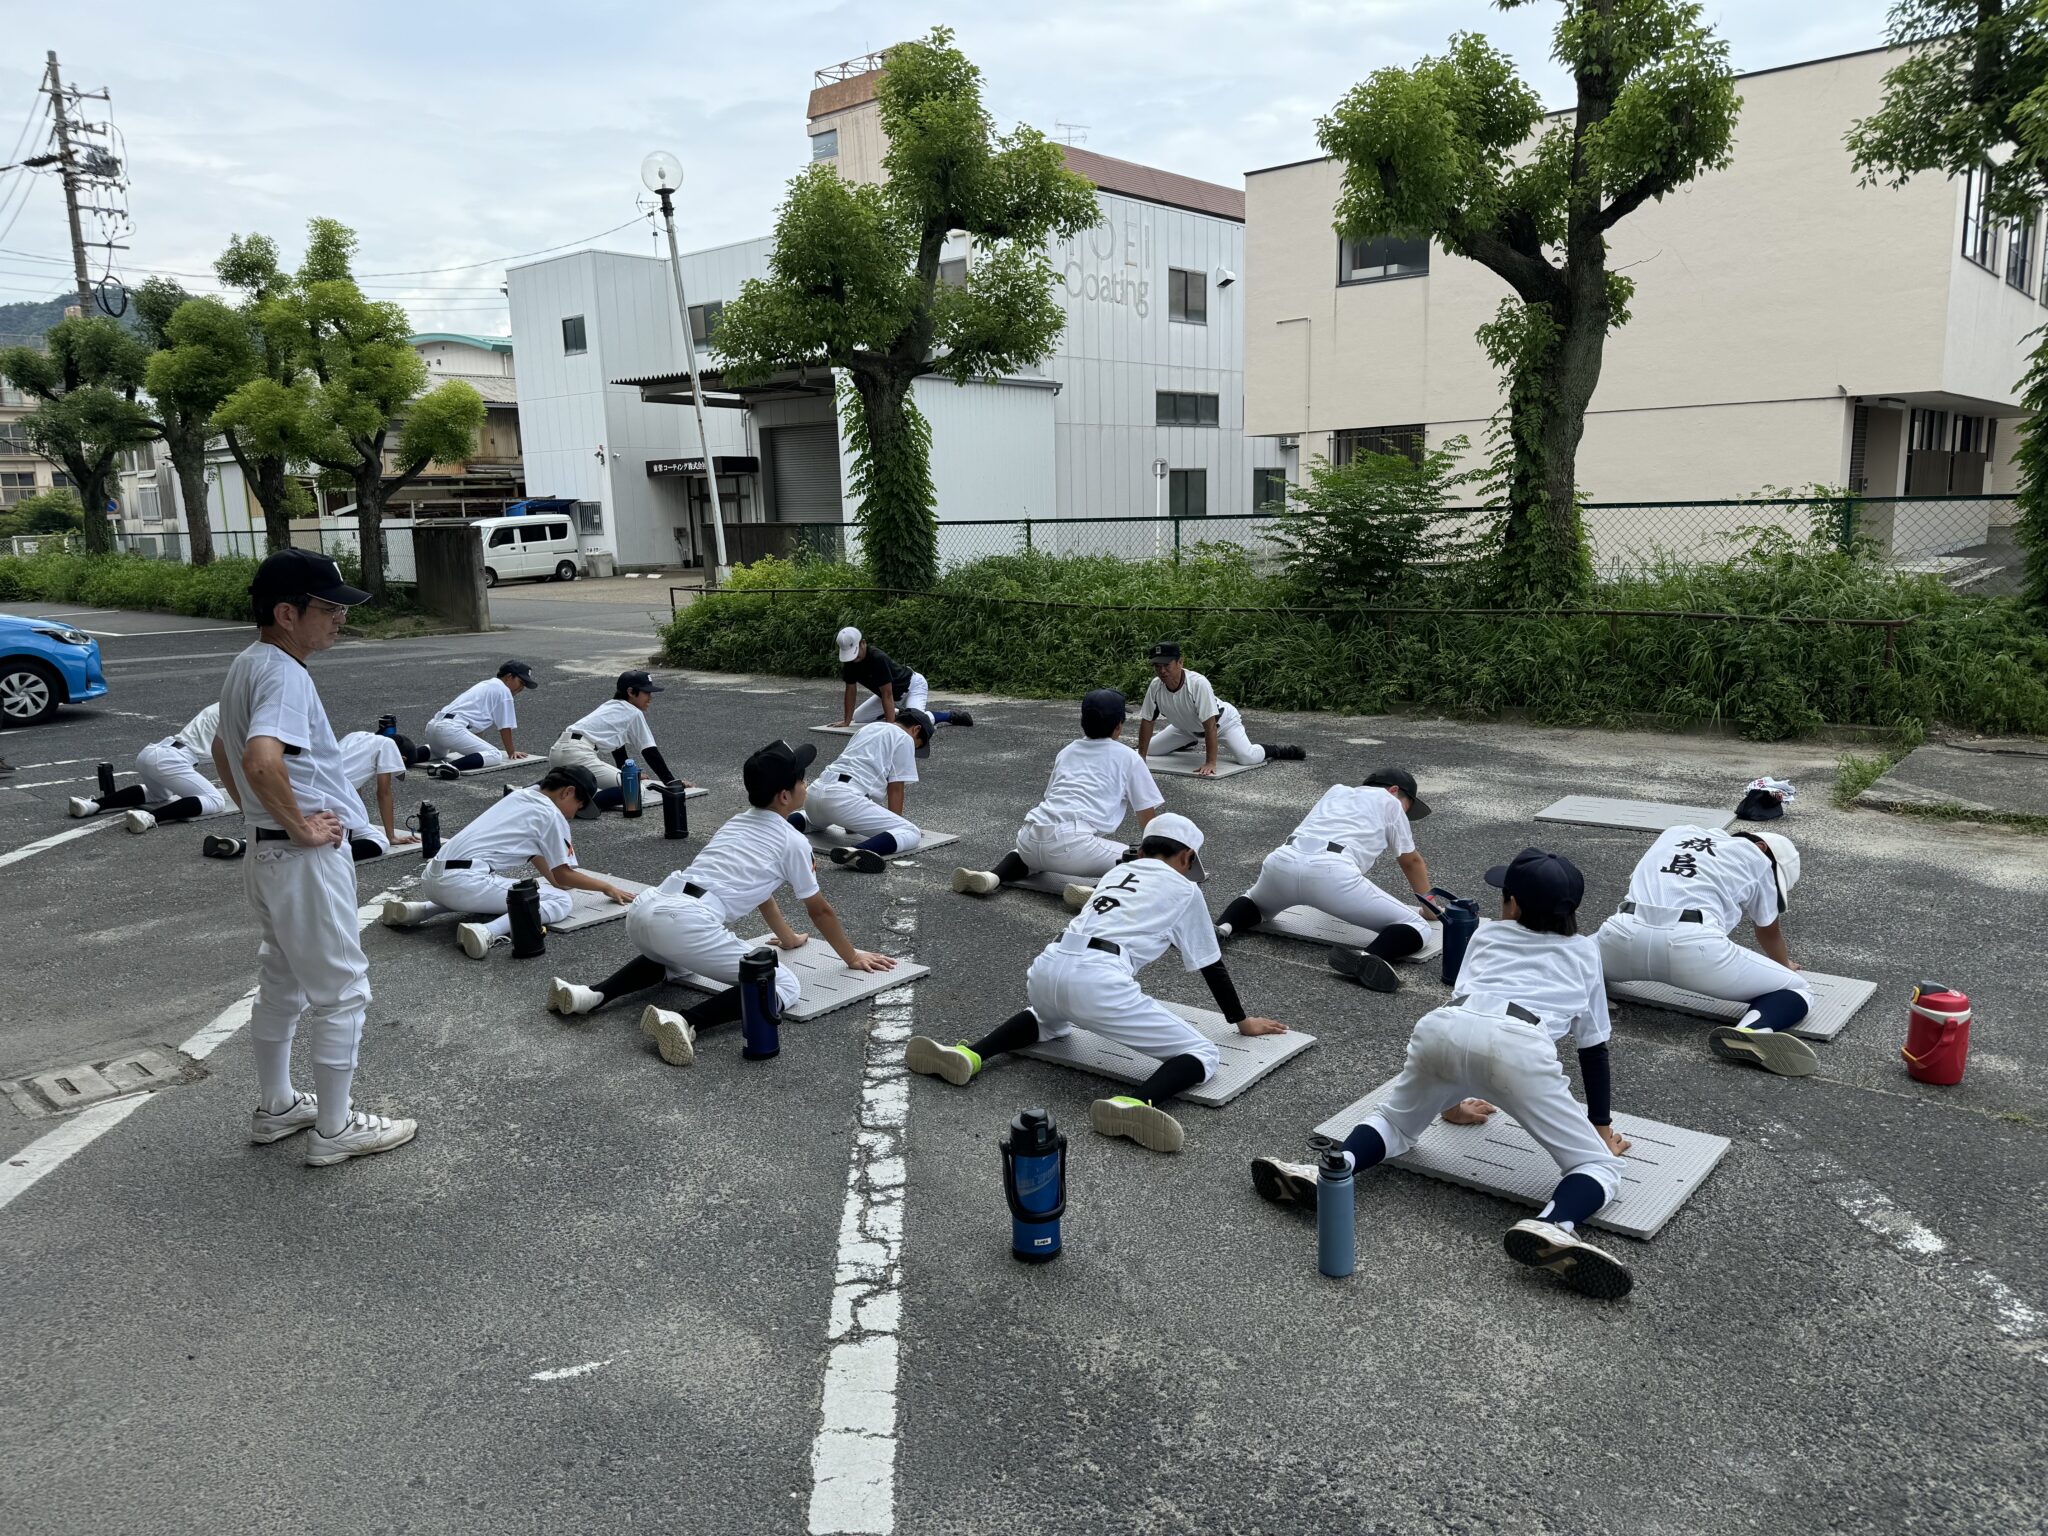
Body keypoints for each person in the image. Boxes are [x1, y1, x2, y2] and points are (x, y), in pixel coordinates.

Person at [1251, 847, 1635, 1300]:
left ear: (1512, 904)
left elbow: (1470, 1021)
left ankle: (1334, 1168)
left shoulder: (1486, 934)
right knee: (1597, 1166)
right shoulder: (1585, 952)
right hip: (1519, 1047)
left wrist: (1448, 1104)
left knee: (1395, 1123)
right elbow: (1593, 1049)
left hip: (1444, 1029)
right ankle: (1554, 1224)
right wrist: (1600, 1129)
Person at [906, 813, 1286, 1155]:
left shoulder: (1115, 875)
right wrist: (1241, 1021)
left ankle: (970, 1055)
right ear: (1187, 857)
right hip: (1098, 980)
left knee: (1047, 1019)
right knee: (1202, 1053)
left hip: (1047, 968)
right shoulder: (1186, 890)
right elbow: (1211, 964)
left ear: (1142, 850)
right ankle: (1134, 1104)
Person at [214, 549, 415, 1168]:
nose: (340, 619)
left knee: (282, 980)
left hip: (266, 854)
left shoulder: (249, 663)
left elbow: (223, 749)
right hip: (301, 859)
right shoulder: (284, 673)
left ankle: (277, 1106)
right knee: (343, 992)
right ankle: (334, 1129)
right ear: (287, 613)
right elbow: (259, 760)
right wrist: (299, 825)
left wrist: (258, 815)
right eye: (328, 608)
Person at [546, 740, 899, 1065]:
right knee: (782, 985)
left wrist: (788, 938)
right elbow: (819, 910)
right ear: (784, 796)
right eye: (802, 780)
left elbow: (762, 891)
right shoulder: (793, 842)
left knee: (675, 961)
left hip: (646, 910)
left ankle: (590, 995)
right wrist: (852, 957)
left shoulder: (738, 822)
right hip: (685, 922)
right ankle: (684, 1020)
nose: (806, 784)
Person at [1595, 824, 1814, 1076]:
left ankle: (1572, 992)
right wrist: (1784, 965)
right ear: (1761, 846)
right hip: (1694, 950)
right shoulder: (1758, 857)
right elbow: (1767, 931)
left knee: (1573, 957)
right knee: (1796, 988)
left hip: (1620, 936)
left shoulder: (1675, 833)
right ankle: (1752, 1030)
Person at [1214, 767, 1441, 993]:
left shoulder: (1336, 791)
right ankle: (1368, 956)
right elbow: (1411, 862)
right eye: (1408, 805)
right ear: (1393, 790)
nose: (1406, 814)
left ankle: (1222, 928)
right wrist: (1429, 907)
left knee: (1256, 902)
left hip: (1281, 863)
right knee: (1418, 926)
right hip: (1331, 874)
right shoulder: (1390, 802)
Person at [379, 764, 634, 958]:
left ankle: (420, 910)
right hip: (462, 883)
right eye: (579, 805)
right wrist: (606, 887)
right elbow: (563, 875)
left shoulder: (522, 796)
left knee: (492, 887)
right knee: (560, 901)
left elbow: (546, 864)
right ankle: (487, 932)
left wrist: (559, 880)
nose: (575, 813)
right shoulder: (552, 815)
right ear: (568, 792)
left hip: (433, 878)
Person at [952, 688, 1163, 896]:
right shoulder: (1129, 757)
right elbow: (1148, 820)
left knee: (1027, 855)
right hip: (1073, 846)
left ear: (1083, 722)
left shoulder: (1067, 751)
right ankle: (1092, 893)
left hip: (1030, 837)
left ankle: (991, 877)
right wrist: (1157, 857)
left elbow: (1052, 795)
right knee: (1139, 861)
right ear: (1118, 726)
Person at [788, 709, 934, 873]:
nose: (914, 748)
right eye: (917, 744)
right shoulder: (904, 738)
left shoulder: (869, 728)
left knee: (813, 821)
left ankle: (778, 827)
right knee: (910, 832)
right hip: (843, 799)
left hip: (814, 794)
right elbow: (896, 788)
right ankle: (857, 851)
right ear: (916, 729)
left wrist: (850, 823)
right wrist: (896, 825)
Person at [1134, 642, 1303, 774]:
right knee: (1151, 750)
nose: (1162, 670)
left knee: (1247, 757)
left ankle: (1277, 750)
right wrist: (1141, 757)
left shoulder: (1198, 684)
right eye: (1157, 666)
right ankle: (1187, 741)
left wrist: (1210, 762)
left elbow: (1210, 726)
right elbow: (1147, 720)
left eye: (1166, 665)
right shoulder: (1155, 686)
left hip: (1223, 724)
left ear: (1180, 662)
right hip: (1185, 728)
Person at [68, 703, 233, 833]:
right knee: (215, 801)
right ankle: (149, 817)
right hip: (172, 760)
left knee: (159, 794)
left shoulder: (224, 705)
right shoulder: (238, 713)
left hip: (154, 752)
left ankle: (92, 805)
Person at [546, 669, 685, 815]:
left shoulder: (610, 706)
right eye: (646, 692)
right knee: (634, 789)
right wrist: (671, 783)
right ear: (631, 692)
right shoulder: (633, 712)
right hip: (578, 756)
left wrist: (625, 773)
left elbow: (618, 747)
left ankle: (547, 793)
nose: (650, 697)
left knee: (581, 788)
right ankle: (581, 806)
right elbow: (649, 751)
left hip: (558, 752)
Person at [831, 626, 972, 729]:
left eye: (856, 653)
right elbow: (850, 690)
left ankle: (950, 716)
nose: (854, 658)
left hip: (912, 686)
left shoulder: (878, 658)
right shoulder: (849, 663)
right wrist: (846, 721)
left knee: (913, 724)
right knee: (859, 717)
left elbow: (887, 694)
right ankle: (902, 713)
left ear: (863, 643)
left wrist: (891, 726)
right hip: (892, 696)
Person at [423, 660, 536, 774]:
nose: (522, 688)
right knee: (494, 754)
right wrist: (511, 752)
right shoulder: (504, 691)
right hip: (451, 729)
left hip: (433, 726)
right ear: (509, 677)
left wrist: (478, 750)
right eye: (521, 682)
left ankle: (412, 756)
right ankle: (447, 767)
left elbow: (477, 725)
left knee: (438, 753)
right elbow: (505, 727)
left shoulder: (486, 685)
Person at [336, 728, 421, 854]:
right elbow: (383, 793)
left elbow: (354, 779)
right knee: (380, 841)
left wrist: (359, 817)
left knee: (359, 824)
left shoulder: (356, 735)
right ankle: (334, 854)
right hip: (332, 796)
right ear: (402, 759)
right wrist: (391, 837)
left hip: (312, 788)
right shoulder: (388, 745)